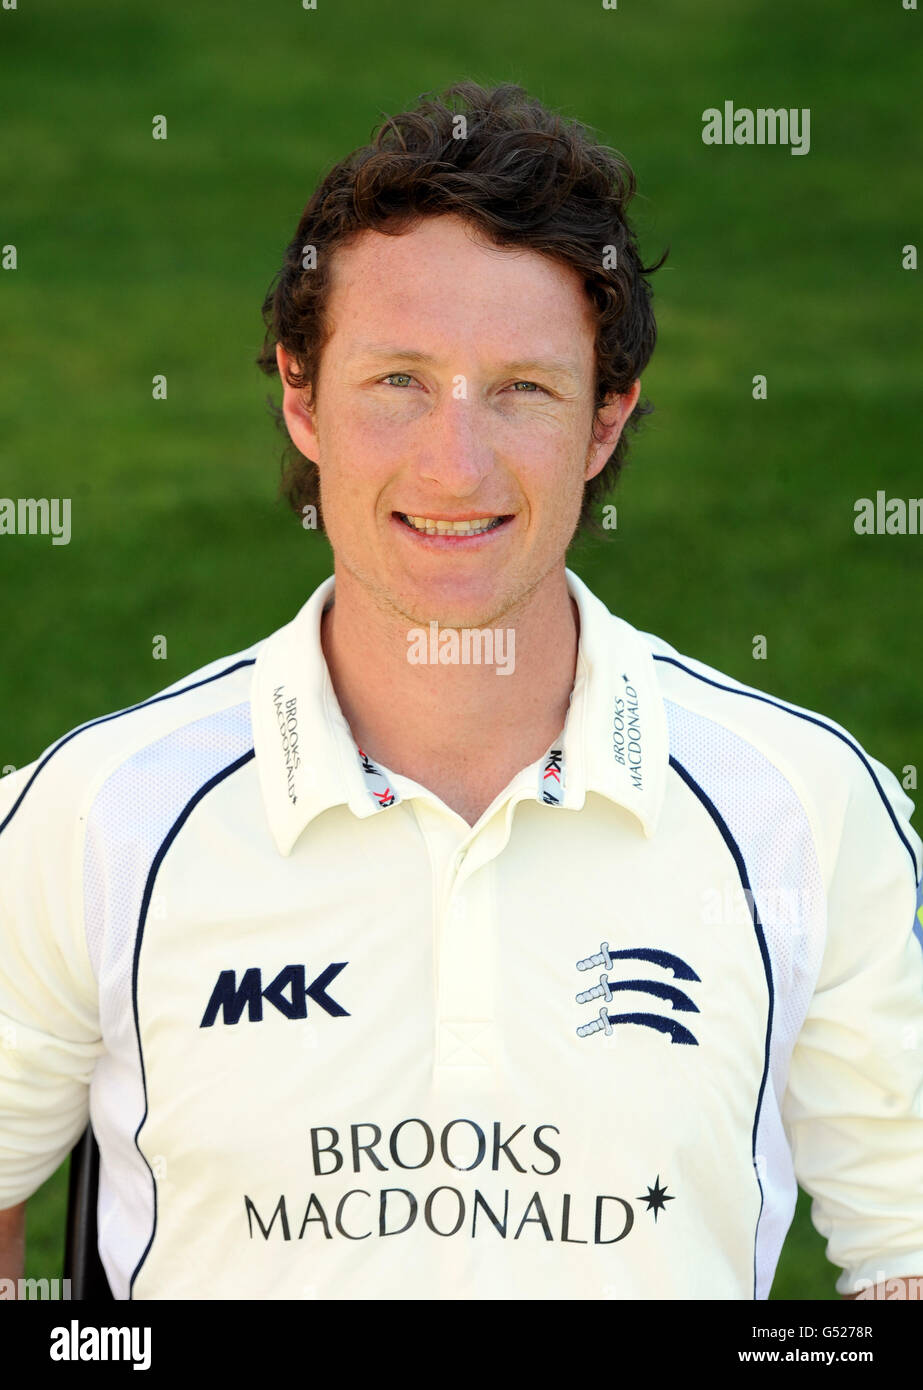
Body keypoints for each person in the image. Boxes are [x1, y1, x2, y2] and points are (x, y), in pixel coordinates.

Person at [1, 81, 921, 1301]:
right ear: (298, 393)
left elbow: (902, 1251)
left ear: (605, 422)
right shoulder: (90, 813)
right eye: (397, 381)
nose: (456, 462)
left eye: (523, 390)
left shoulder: (807, 804)